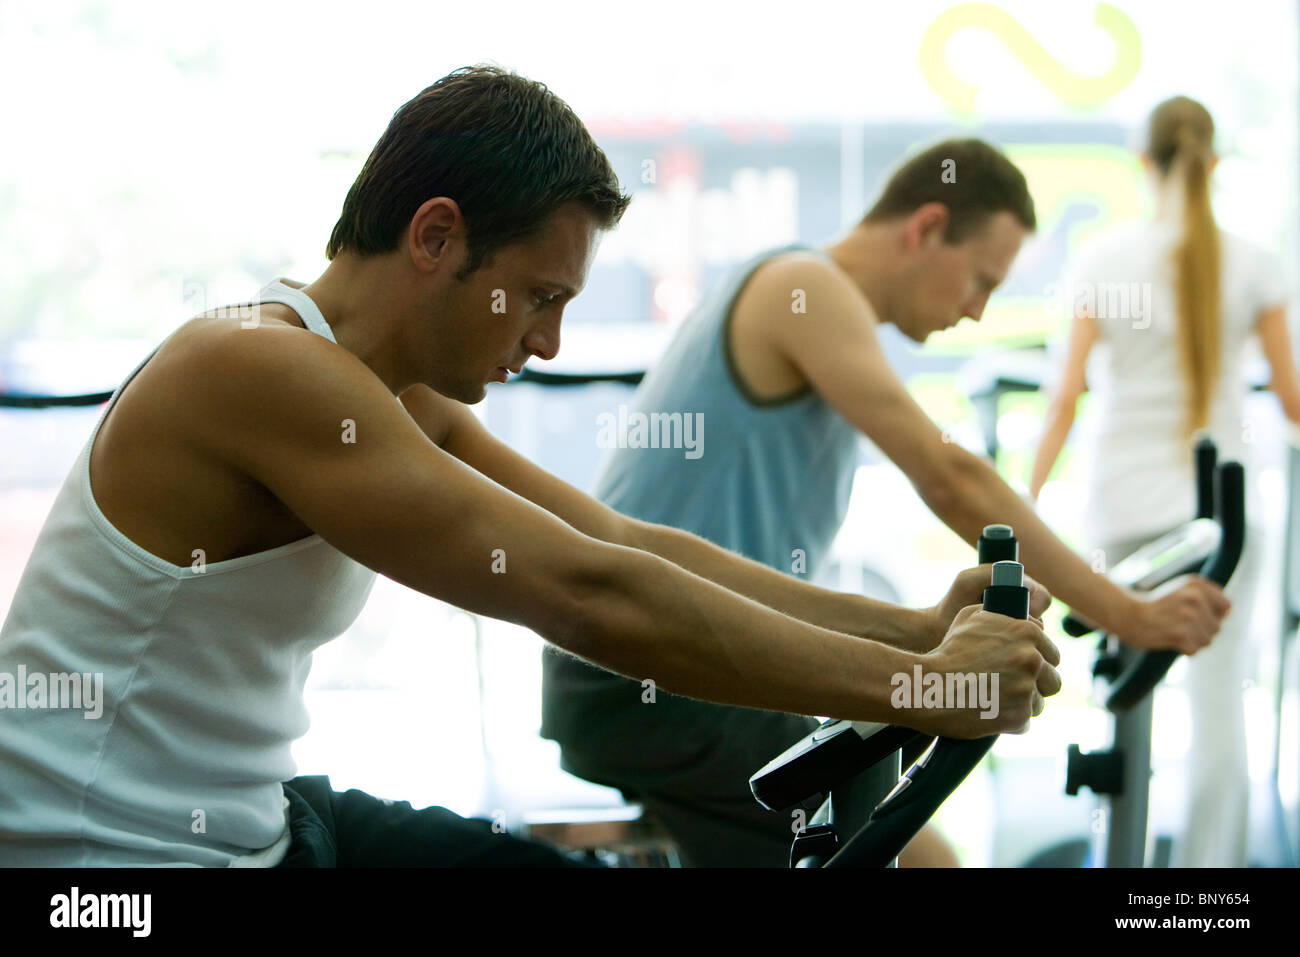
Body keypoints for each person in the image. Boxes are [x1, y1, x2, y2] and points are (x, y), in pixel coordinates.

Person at [0, 66, 1063, 867]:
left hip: (254, 824)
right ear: (434, 237)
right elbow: (584, 596)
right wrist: (927, 685)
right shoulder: (258, 370)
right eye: (538, 296)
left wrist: (914, 630)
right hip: (109, 864)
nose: (547, 344)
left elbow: (618, 541)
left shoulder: (384, 387)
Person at [541, 137, 1233, 868]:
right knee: (929, 862)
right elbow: (949, 475)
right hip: (638, 666)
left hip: (686, 659)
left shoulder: (811, 297)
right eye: (980, 281)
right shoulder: (800, 288)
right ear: (926, 226)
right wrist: (1126, 611)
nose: (975, 312)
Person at [1029, 96, 1298, 867]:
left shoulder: (1104, 258)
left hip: (1127, 506)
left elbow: (1064, 400)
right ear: (1212, 163)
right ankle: (1211, 890)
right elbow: (1292, 402)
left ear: (1144, 165)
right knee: (1221, 714)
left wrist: (1022, 511)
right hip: (1222, 517)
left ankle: (1128, 864)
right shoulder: (1256, 262)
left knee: (1127, 695)